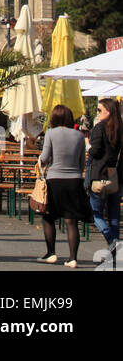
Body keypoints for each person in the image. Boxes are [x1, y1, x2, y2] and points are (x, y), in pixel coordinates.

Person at [37, 104, 92, 267]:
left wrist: (40, 161)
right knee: (71, 220)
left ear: (54, 118)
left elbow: (45, 157)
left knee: (48, 217)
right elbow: (82, 162)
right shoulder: (79, 136)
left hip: (55, 180)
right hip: (75, 180)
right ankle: (73, 258)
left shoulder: (51, 133)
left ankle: (51, 253)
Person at [87, 97, 121, 262]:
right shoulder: (120, 128)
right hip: (116, 176)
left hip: (100, 176)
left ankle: (112, 241)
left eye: (100, 110)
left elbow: (96, 152)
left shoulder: (99, 128)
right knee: (114, 214)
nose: (97, 113)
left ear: (109, 111)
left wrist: (88, 146)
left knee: (96, 213)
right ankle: (115, 251)